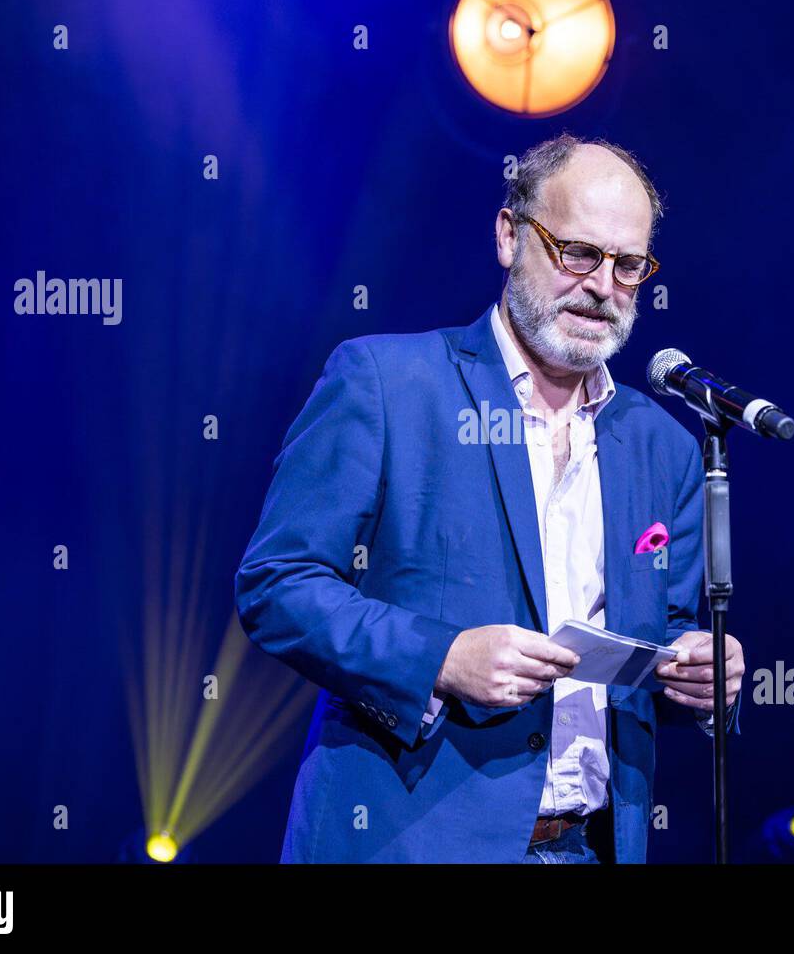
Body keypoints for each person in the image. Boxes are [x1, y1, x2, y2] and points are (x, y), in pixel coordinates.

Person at [235, 132, 744, 863]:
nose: (601, 285)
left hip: (592, 847)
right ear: (510, 235)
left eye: (627, 265)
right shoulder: (387, 381)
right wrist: (438, 657)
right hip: (410, 842)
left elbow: (657, 643)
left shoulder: (662, 445)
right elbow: (276, 584)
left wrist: (698, 669)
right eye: (577, 252)